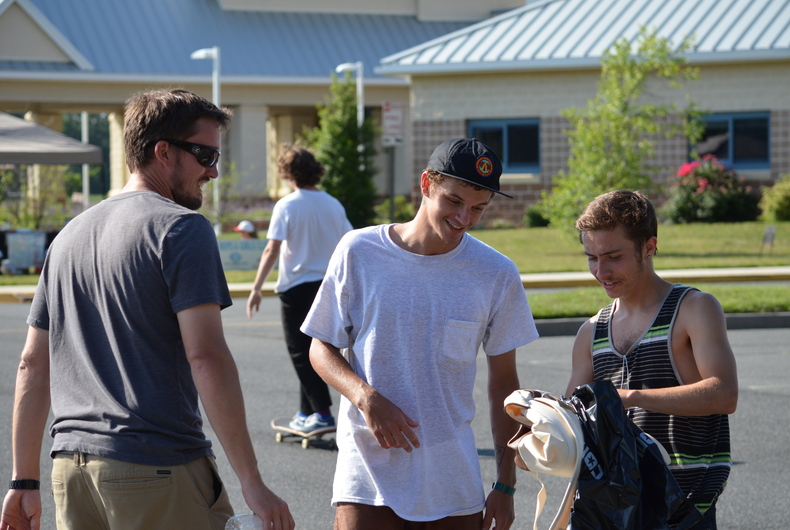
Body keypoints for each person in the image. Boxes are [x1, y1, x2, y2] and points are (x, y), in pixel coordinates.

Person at [0, 89, 294, 530]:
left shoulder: (66, 238)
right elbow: (206, 357)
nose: (213, 171)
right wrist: (252, 482)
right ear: (163, 151)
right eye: (205, 155)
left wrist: (23, 479)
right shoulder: (181, 228)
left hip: (72, 472)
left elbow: (30, 364)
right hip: (157, 468)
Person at [301, 138, 539, 529]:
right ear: (426, 184)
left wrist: (506, 483)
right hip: (368, 477)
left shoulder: (496, 273)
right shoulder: (359, 250)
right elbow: (320, 347)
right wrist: (366, 398)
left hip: (453, 483)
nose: (465, 218)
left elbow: (504, 387)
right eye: (454, 201)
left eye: (478, 208)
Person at [565, 189, 738, 528]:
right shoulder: (591, 332)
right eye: (591, 258)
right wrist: (539, 433)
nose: (601, 271)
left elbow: (724, 393)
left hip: (686, 507)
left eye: (614, 257)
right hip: (616, 511)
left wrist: (631, 399)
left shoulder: (694, 308)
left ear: (649, 246)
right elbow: (576, 415)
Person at [247, 143, 352, 433]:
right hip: (328, 286)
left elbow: (272, 249)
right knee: (319, 348)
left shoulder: (288, 205)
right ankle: (306, 413)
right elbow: (349, 242)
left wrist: (257, 287)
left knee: (300, 352)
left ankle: (322, 413)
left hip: (296, 288)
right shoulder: (333, 204)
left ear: (287, 173)